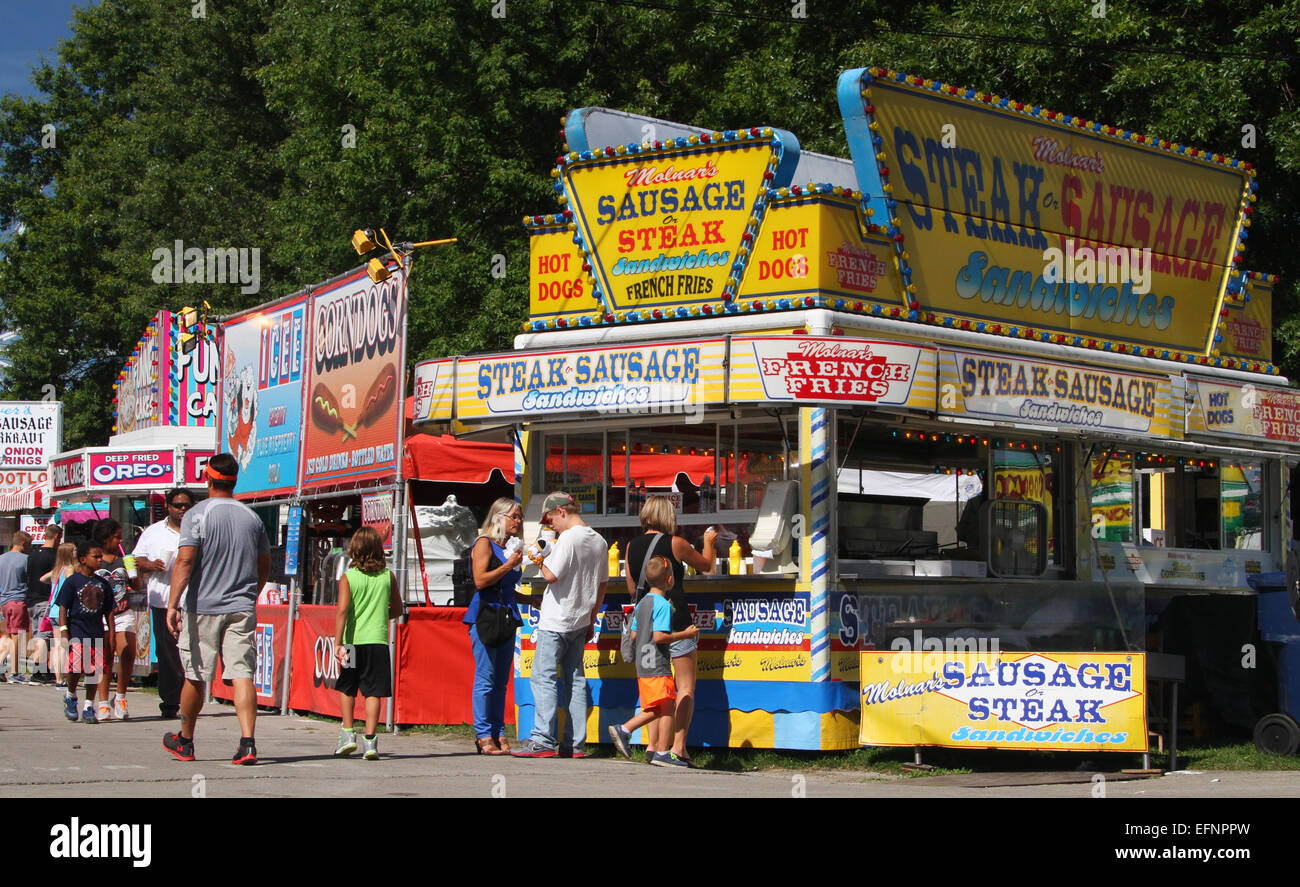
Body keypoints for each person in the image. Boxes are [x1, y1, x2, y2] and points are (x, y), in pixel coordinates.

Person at [163, 453, 270, 765]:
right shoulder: (252, 518)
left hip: (203, 607)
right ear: (235, 480)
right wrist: (251, 594)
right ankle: (248, 743)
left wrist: (172, 604)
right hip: (241, 607)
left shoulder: (196, 514)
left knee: (195, 675)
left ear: (207, 479)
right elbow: (264, 564)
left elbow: (185, 561)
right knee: (242, 672)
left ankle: (185, 741)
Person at [513, 491, 608, 758]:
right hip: (580, 619)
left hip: (556, 619)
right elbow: (602, 585)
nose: (551, 525)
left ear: (562, 512)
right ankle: (574, 743)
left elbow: (551, 576)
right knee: (575, 680)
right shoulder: (599, 540)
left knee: (543, 678)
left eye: (550, 519)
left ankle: (543, 740)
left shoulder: (568, 538)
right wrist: (592, 619)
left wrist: (539, 558)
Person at [624, 495, 716, 766]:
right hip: (677, 622)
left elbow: (632, 589)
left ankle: (654, 747)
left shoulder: (631, 547)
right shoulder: (676, 543)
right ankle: (678, 748)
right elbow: (707, 566)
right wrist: (709, 542)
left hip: (647, 626)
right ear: (668, 516)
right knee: (685, 687)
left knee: (656, 690)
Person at [608, 555, 698, 766]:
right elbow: (659, 637)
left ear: (647, 580)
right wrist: (685, 634)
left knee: (658, 707)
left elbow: (633, 636)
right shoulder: (663, 606)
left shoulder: (642, 604)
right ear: (670, 580)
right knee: (667, 707)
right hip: (658, 664)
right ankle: (640, 738)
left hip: (643, 665)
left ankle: (636, 736)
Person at [332, 526, 403, 760]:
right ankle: (370, 741)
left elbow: (342, 610)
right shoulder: (387, 577)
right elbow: (398, 609)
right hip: (378, 641)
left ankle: (347, 733)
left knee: (347, 687)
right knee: (373, 692)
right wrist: (380, 617)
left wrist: (338, 642)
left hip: (352, 642)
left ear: (354, 549)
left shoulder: (349, 577)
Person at [466, 498, 525, 755]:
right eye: (514, 516)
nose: (518, 521)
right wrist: (508, 565)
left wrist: (530, 600)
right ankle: (483, 734)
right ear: (498, 518)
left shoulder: (508, 547)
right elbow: (480, 580)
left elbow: (506, 587)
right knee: (486, 678)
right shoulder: (484, 543)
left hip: (507, 615)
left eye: (520, 516)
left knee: (501, 681)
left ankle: (499, 731)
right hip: (486, 616)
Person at [134, 488, 196, 718]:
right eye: (178, 505)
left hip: (192, 601)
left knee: (192, 652)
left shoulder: (199, 529)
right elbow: (136, 558)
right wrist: (151, 565)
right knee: (167, 654)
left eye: (187, 505)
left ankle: (191, 700)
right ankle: (170, 702)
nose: (183, 509)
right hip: (162, 601)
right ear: (168, 507)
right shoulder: (153, 532)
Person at [56, 540, 116, 724]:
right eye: (95, 557)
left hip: (96, 632)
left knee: (93, 671)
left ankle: (89, 706)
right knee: (75, 668)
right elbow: (63, 608)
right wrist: (64, 631)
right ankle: (71, 696)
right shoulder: (72, 582)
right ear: (83, 559)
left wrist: (111, 634)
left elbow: (109, 611)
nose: (100, 560)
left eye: (100, 557)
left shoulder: (103, 584)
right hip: (77, 631)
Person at [92, 519, 139, 721]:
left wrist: (133, 571)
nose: (120, 541)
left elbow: (136, 586)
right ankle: (103, 702)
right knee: (105, 657)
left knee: (127, 651)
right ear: (105, 538)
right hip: (101, 616)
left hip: (123, 612)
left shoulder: (123, 560)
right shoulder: (95, 560)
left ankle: (120, 697)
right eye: (116, 537)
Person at [26, 524, 61, 683]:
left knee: (38, 634)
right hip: (45, 599)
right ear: (56, 537)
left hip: (31, 599)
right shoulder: (54, 556)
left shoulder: (32, 554)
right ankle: (38, 670)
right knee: (44, 636)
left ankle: (43, 669)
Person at [42, 542, 77, 687]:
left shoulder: (58, 569)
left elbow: (42, 579)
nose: (76, 552)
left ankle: (58, 678)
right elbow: (71, 584)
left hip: (53, 612)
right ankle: (62, 677)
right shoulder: (69, 569)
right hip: (64, 612)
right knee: (63, 646)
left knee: (57, 645)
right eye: (74, 550)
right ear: (69, 553)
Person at [0, 532, 32, 683]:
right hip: (18, 599)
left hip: (4, 601)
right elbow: (29, 579)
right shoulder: (25, 559)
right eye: (29, 545)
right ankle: (14, 671)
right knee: (16, 636)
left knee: (6, 634)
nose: (30, 548)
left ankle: (2, 666)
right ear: (23, 544)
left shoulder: (1, 558)